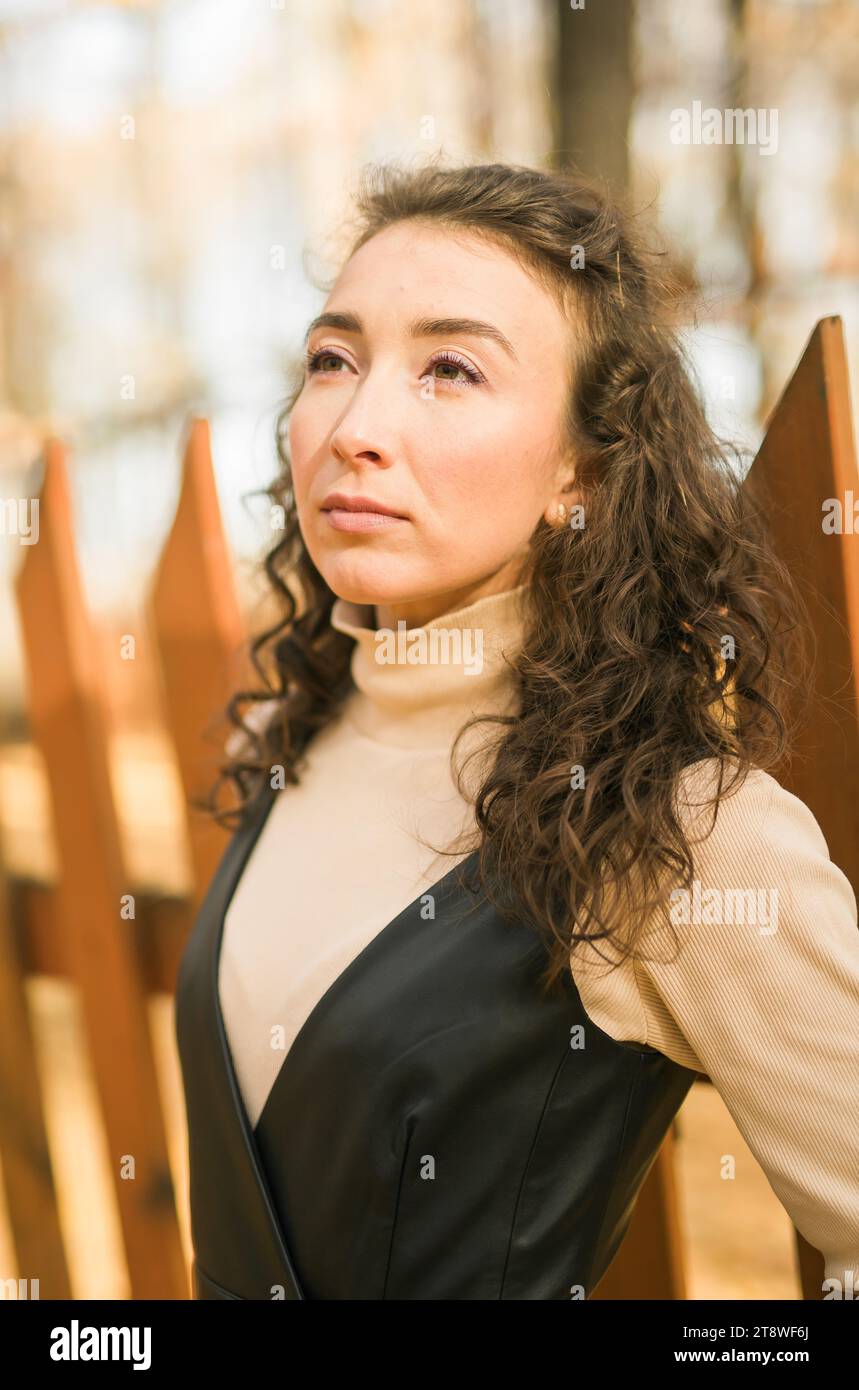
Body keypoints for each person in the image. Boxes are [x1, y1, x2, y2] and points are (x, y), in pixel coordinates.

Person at [174, 157, 859, 1301]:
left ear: (580, 470)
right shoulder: (301, 738)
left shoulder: (676, 827)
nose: (356, 424)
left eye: (450, 368)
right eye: (332, 360)